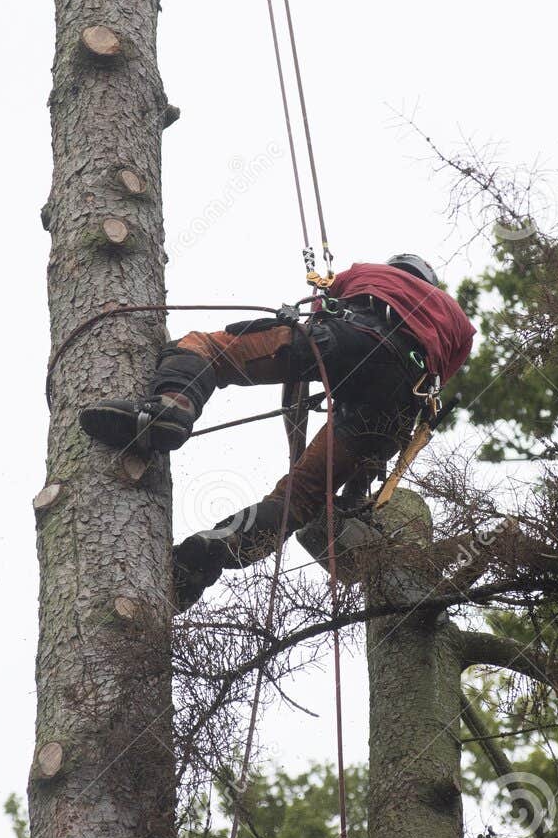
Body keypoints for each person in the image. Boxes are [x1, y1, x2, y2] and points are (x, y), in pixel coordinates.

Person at [80, 253, 475, 609]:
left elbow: (318, 327)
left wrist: (300, 437)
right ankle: (212, 551)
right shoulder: (458, 323)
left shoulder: (366, 274)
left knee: (206, 348)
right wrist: (353, 491)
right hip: (401, 404)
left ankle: (171, 408)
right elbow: (438, 377)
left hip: (347, 338)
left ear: (396, 269)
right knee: (298, 500)